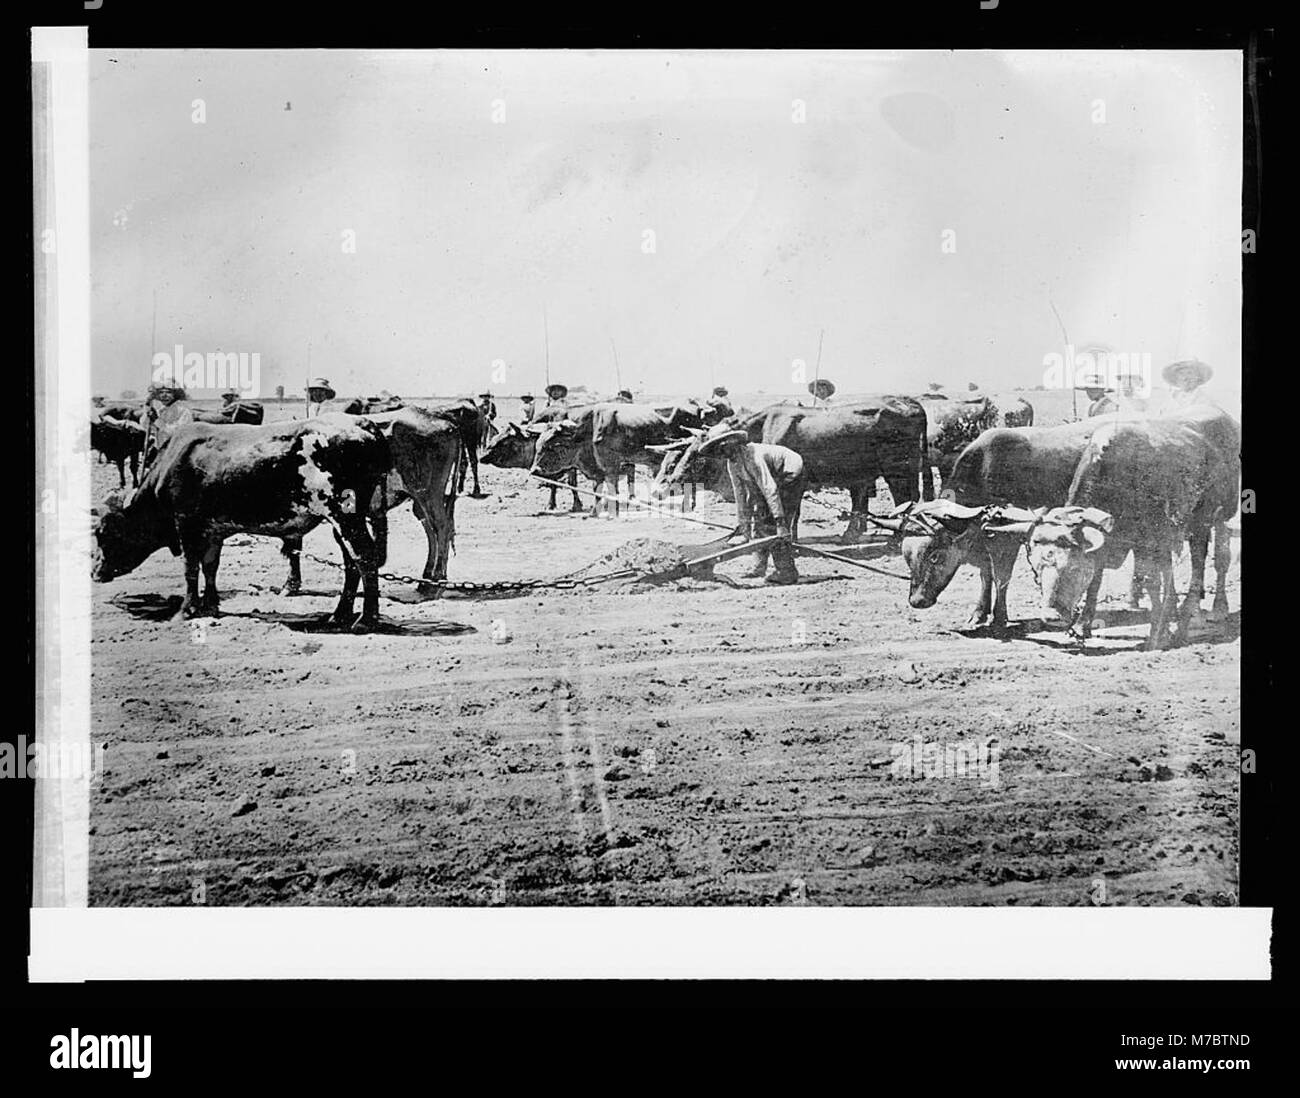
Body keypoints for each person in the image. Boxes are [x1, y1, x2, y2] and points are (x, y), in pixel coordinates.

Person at [697, 427, 805, 585]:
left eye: (721, 448)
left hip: (789, 472)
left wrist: (780, 522)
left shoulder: (754, 456)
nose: (720, 454)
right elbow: (740, 494)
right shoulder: (732, 463)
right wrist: (743, 523)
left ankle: (786, 572)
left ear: (731, 443)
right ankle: (759, 566)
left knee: (772, 525)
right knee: (759, 518)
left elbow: (769, 488)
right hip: (771, 478)